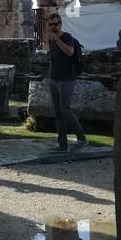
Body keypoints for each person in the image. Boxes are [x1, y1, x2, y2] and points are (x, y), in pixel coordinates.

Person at [43, 14, 87, 153]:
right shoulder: (50, 39)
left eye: (55, 24)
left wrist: (56, 38)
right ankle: (62, 144)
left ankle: (82, 138)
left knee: (65, 109)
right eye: (50, 24)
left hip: (67, 79)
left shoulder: (67, 37)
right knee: (58, 112)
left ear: (60, 24)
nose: (53, 27)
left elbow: (69, 52)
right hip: (53, 78)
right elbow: (51, 56)